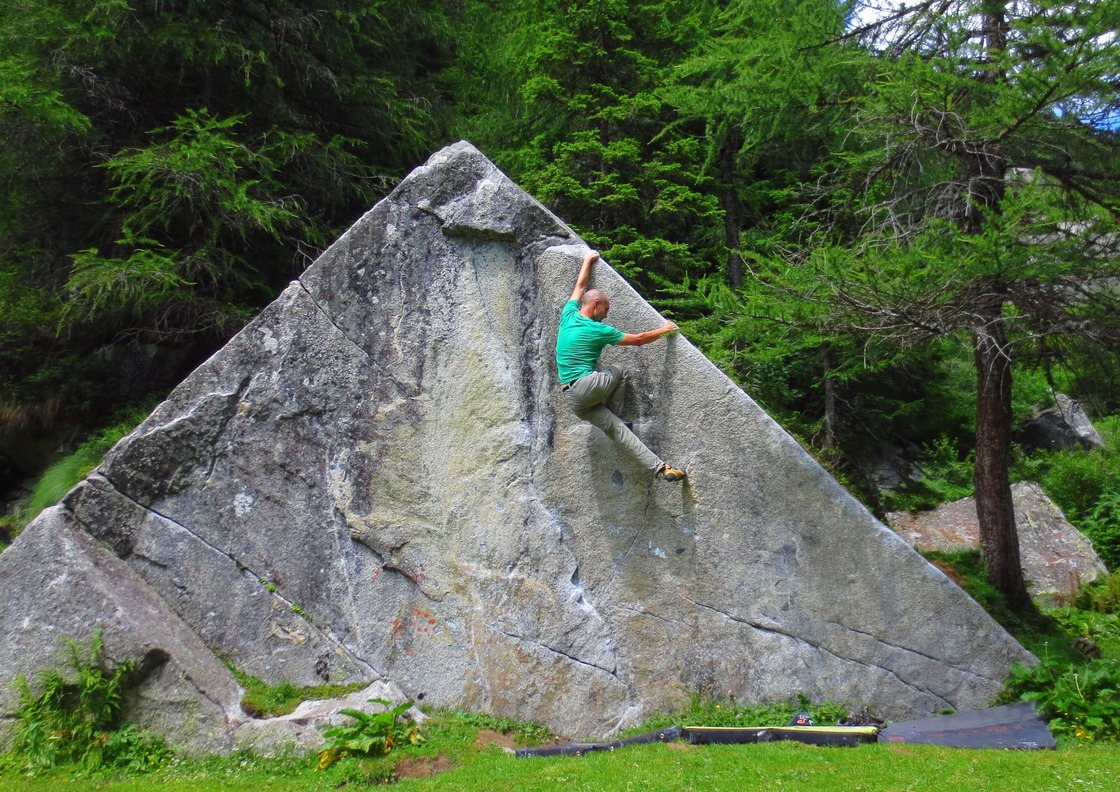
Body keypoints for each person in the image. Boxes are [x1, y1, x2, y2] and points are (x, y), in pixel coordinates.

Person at [555, 250, 686, 482]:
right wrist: (664, 330)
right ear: (596, 305)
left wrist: (587, 260)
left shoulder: (568, 315)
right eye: (605, 310)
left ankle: (662, 469)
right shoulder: (599, 330)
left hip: (573, 400)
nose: (606, 316)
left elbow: (580, 285)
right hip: (587, 385)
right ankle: (616, 413)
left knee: (618, 431)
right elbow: (638, 339)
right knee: (620, 371)